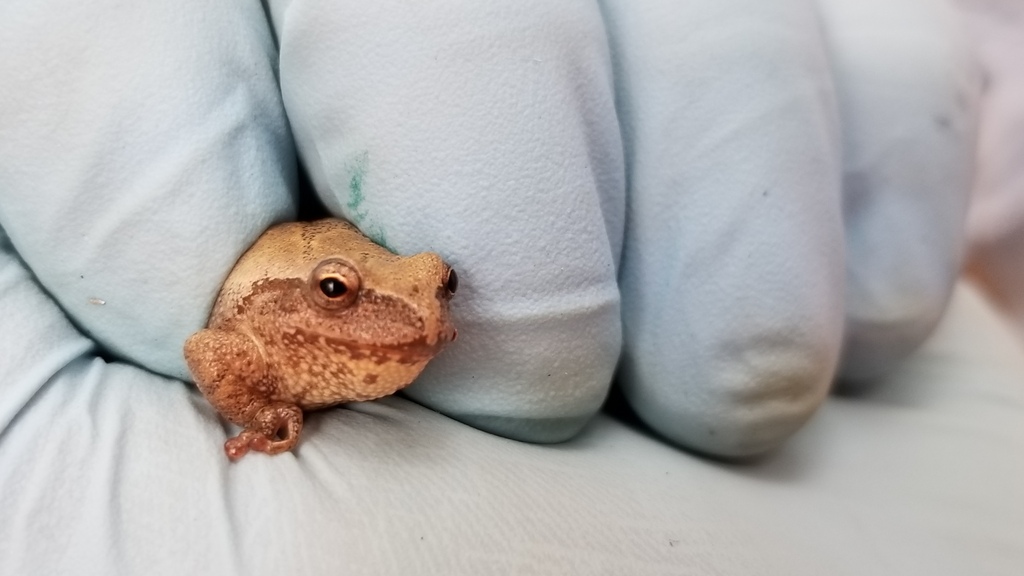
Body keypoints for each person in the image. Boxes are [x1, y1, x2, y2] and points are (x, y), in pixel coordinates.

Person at [1, 1, 1019, 574]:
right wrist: (268, 406)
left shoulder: (410, 313)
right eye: (344, 290)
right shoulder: (272, 329)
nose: (422, 312)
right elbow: (208, 350)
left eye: (437, 289)